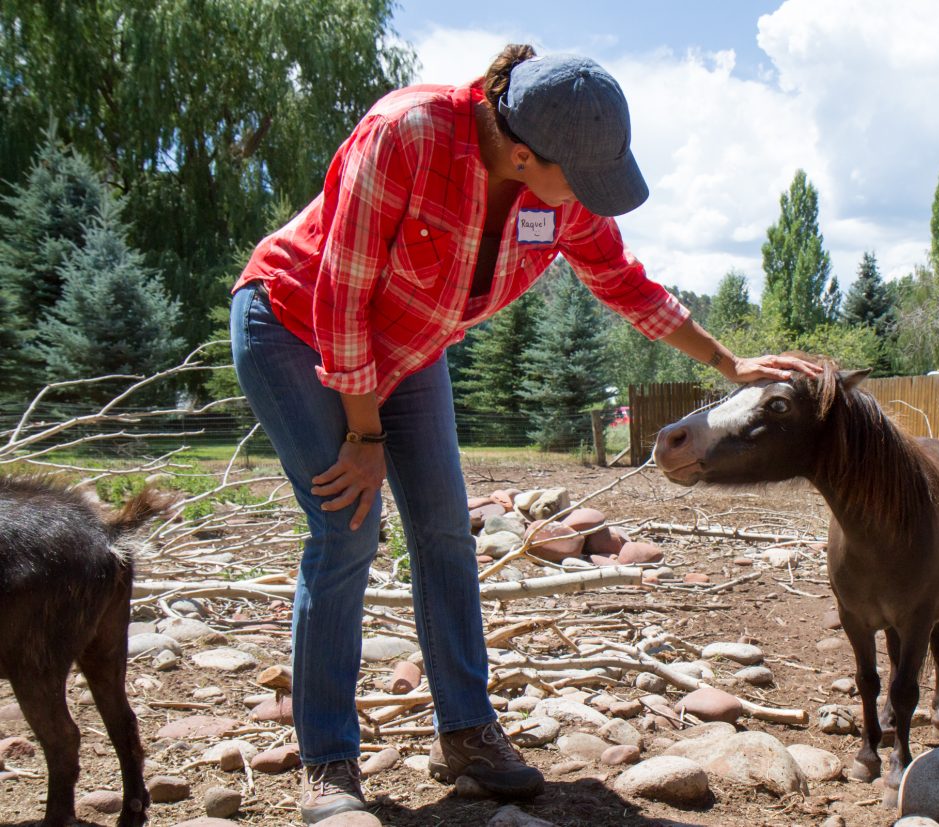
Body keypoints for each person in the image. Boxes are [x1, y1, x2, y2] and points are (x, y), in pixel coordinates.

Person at [230, 43, 821, 823]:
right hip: (296, 323)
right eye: (579, 181)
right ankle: (330, 762)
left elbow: (623, 282)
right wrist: (364, 440)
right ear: (520, 154)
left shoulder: (560, 191)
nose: (588, 199)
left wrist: (727, 360)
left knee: (445, 530)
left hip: (410, 344)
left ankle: (467, 732)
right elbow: (342, 292)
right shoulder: (406, 134)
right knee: (347, 527)